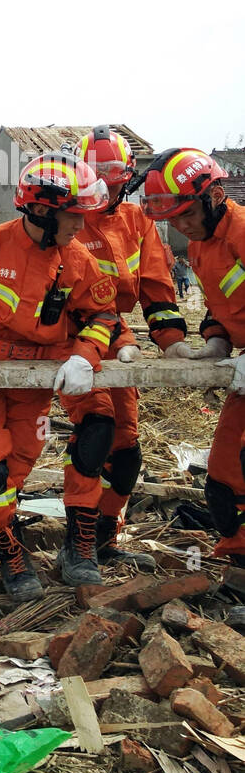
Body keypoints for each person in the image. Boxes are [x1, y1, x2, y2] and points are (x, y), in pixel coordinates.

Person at [0, 153, 121, 601]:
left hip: (33, 383)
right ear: (40, 209)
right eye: (73, 216)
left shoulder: (77, 262)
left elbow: (102, 315)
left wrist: (84, 356)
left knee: (10, 478)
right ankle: (13, 555)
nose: (80, 226)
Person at [69, 126, 190, 573]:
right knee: (95, 432)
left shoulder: (138, 221)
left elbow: (157, 286)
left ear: (128, 176)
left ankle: (103, 538)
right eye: (97, 175)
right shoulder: (71, 217)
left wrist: (173, 343)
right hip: (72, 336)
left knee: (127, 452)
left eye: (114, 175)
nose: (105, 184)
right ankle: (76, 548)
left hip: (117, 335)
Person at [139, 148, 245, 566]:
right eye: (172, 221)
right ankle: (240, 559)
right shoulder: (202, 247)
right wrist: (217, 338)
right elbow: (221, 306)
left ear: (214, 197)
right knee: (223, 477)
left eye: (186, 215)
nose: (181, 228)